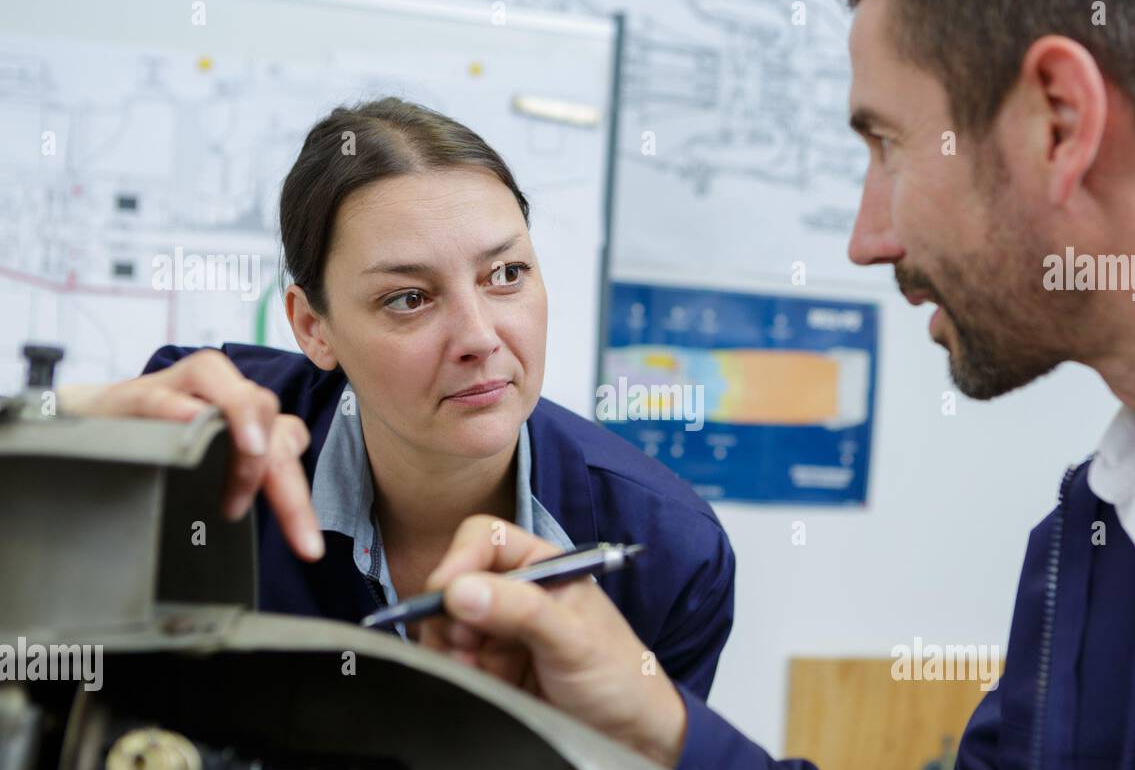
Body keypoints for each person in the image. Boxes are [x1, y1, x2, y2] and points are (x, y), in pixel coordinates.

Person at [409, 0, 1135, 770]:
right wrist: (659, 731)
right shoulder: (1101, 524)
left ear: (1058, 122)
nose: (867, 239)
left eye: (887, 146)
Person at [58, 97, 735, 700]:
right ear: (312, 328)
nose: (479, 338)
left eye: (506, 274)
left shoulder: (669, 553)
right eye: (408, 298)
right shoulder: (205, 438)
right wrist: (58, 427)